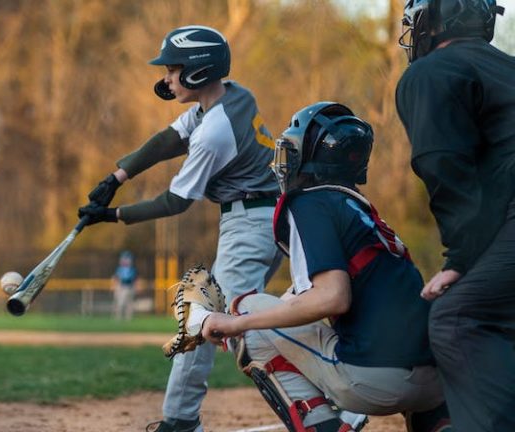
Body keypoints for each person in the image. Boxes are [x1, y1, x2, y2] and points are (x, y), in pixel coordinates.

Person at [78, 25, 282, 432]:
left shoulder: (214, 132)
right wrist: (116, 177)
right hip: (262, 216)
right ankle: (182, 419)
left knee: (216, 322)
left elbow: (176, 202)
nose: (166, 78)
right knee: (221, 319)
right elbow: (168, 139)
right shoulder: (232, 95)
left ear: (196, 72)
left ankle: (181, 421)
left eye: (173, 69)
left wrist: (114, 216)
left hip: (250, 225)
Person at [201, 102, 451, 432]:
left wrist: (233, 323)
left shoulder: (311, 201)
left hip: (375, 380)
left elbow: (332, 298)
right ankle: (437, 424)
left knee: (246, 310)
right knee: (274, 313)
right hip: (436, 383)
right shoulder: (359, 209)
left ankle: (324, 426)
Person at [395, 1, 514, 430]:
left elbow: (444, 165)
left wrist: (460, 260)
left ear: (434, 20)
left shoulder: (431, 72)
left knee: (457, 319)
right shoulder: (506, 68)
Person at [112, 250, 141, 320]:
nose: (126, 261)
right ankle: (118, 317)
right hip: (121, 287)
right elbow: (115, 278)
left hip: (130, 287)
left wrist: (137, 287)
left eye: (127, 259)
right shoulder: (119, 269)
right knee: (120, 304)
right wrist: (114, 286)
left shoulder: (132, 269)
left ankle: (128, 318)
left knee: (129, 304)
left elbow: (136, 279)